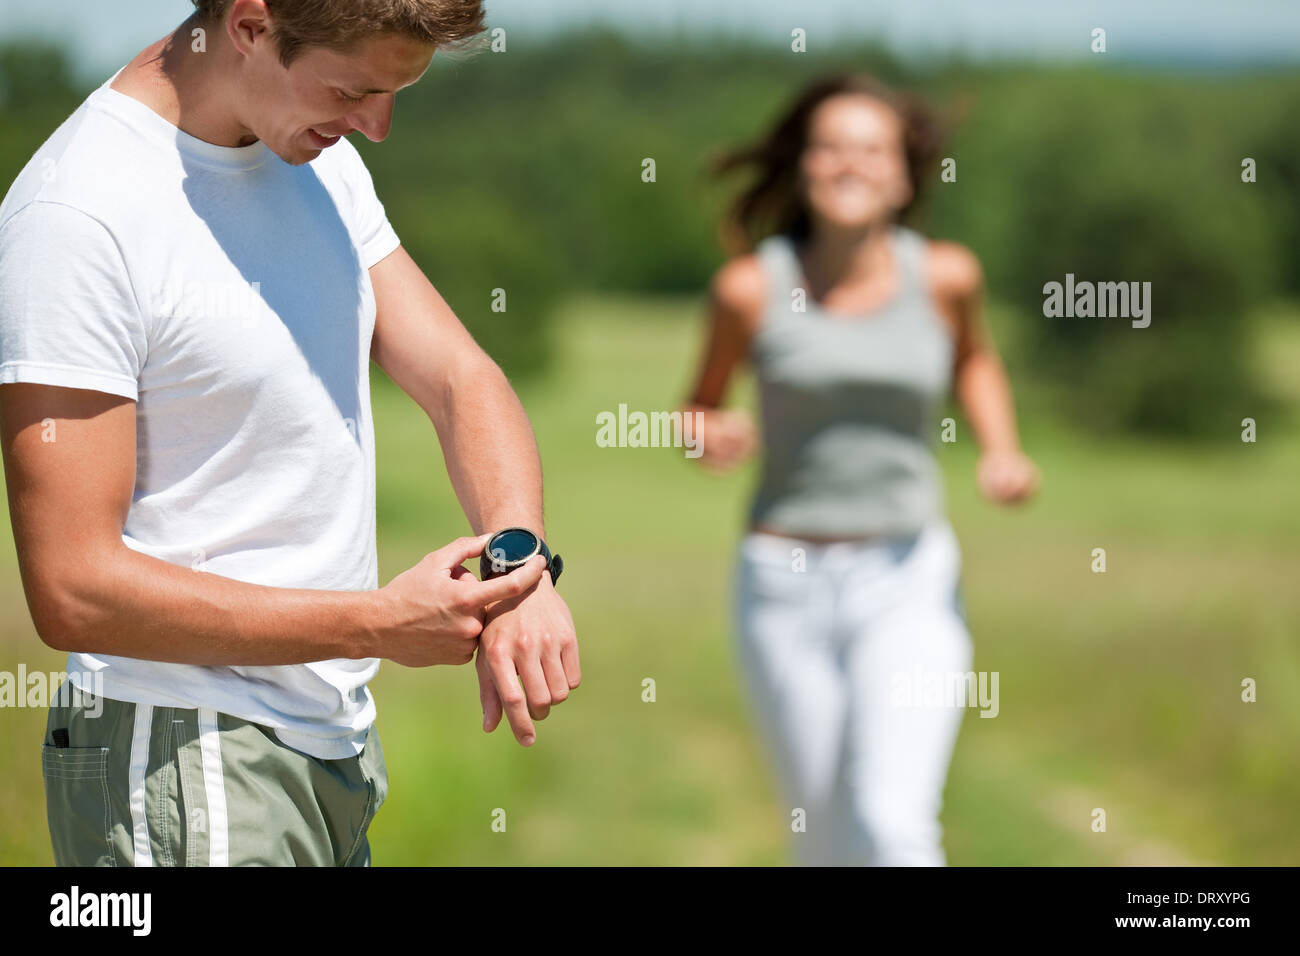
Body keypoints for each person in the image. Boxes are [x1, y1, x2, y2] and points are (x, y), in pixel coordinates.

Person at [0, 0, 579, 867]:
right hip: (180, 753)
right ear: (249, 25)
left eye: (393, 95)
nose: (375, 128)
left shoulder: (316, 156)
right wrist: (377, 623)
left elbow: (461, 379)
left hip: (329, 749)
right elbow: (72, 586)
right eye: (354, 89)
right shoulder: (78, 216)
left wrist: (518, 567)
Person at [682, 74, 1039, 865]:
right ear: (804, 167)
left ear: (905, 175)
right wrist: (710, 434)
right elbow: (698, 406)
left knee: (893, 819)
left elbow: (975, 360)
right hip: (782, 582)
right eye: (831, 147)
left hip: (907, 575)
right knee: (824, 836)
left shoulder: (946, 278)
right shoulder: (750, 290)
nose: (851, 165)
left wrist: (1002, 449)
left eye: (872, 150)